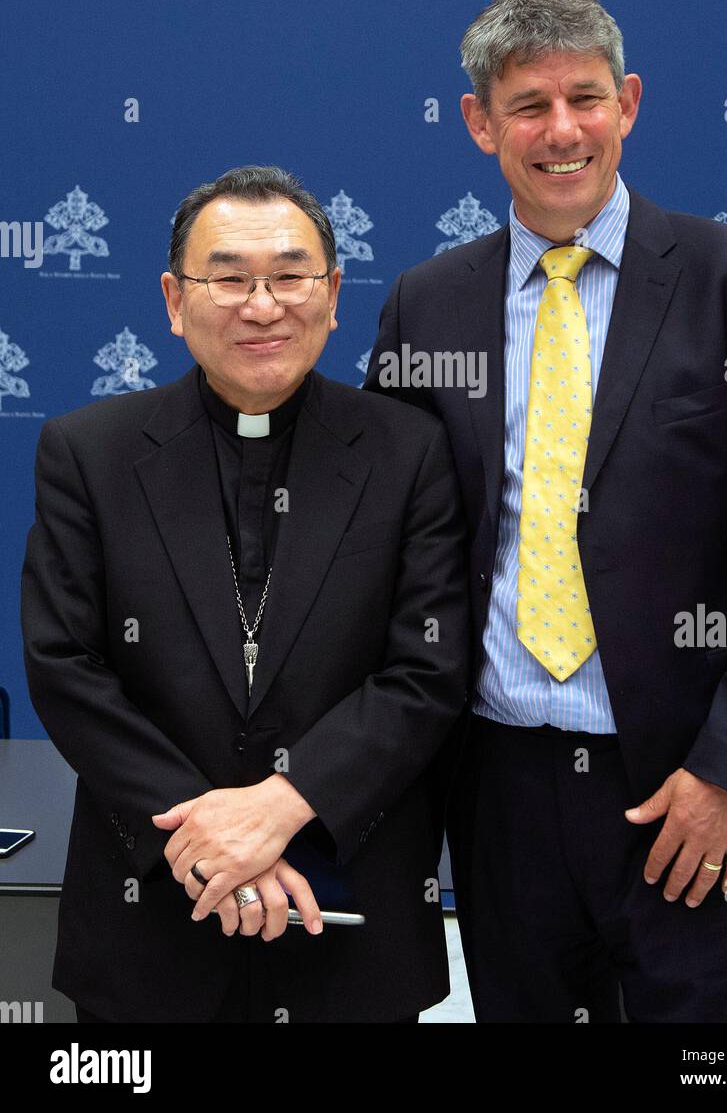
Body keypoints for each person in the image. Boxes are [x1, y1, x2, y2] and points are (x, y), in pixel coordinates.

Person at [364, 0, 727, 1023]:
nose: (561, 130)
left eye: (584, 97)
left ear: (627, 103)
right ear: (479, 122)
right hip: (496, 794)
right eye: (528, 105)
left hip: (691, 794)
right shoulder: (427, 300)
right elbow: (394, 547)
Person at [21, 164, 470, 1023]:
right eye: (227, 278)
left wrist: (282, 805)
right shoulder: (91, 452)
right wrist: (204, 841)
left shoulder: (408, 451)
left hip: (350, 918)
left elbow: (427, 669)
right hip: (151, 918)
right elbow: (64, 665)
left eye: (291, 276)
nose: (263, 306)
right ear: (173, 299)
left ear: (334, 293)